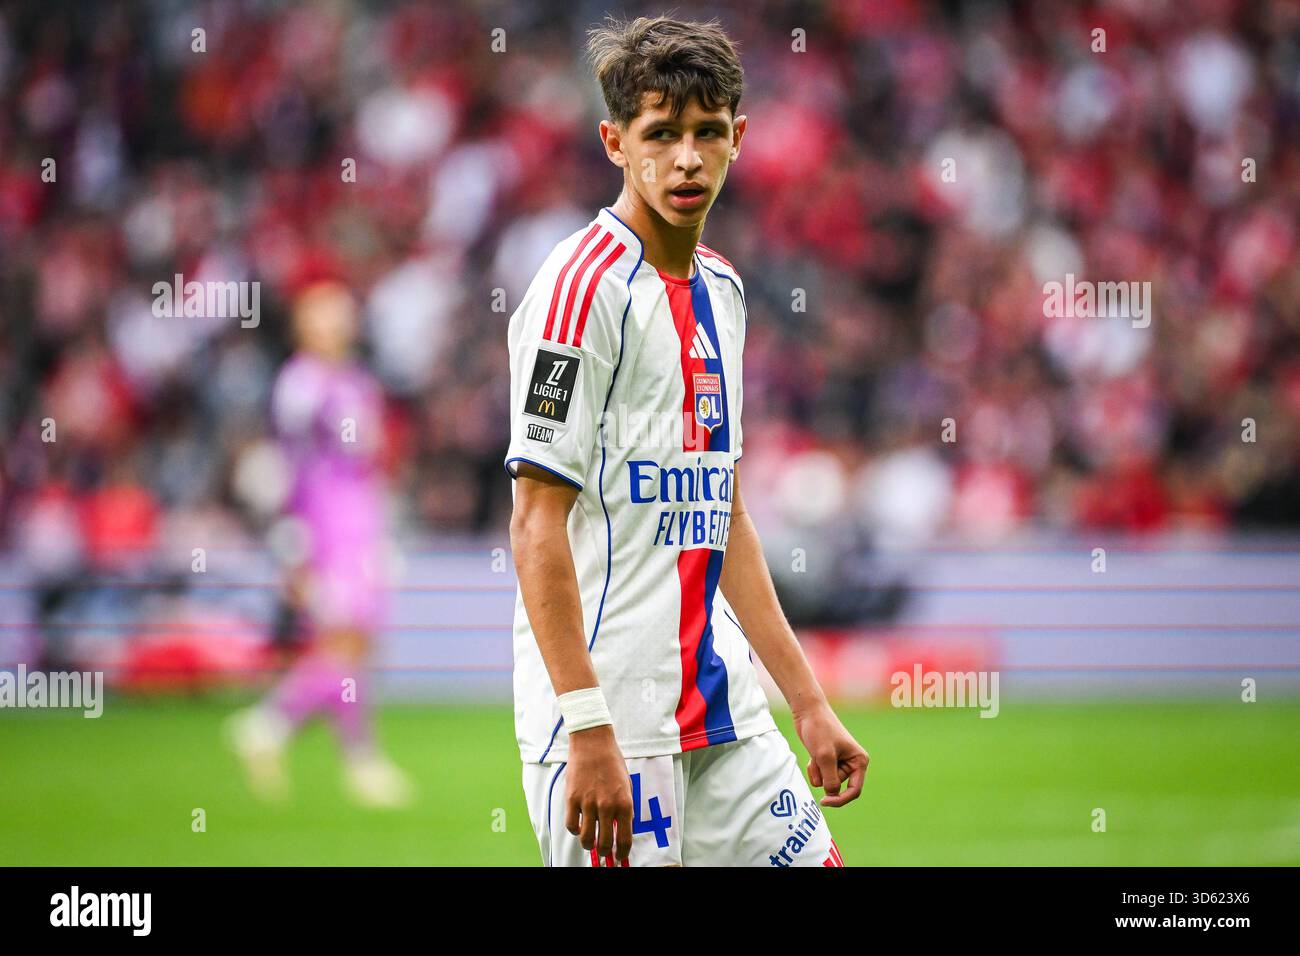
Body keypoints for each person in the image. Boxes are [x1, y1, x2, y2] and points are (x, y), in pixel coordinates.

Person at [505, 15, 867, 867]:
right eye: (660, 134)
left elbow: (721, 512)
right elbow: (534, 523)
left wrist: (807, 701)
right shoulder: (579, 290)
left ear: (740, 138)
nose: (687, 158)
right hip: (612, 730)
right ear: (614, 142)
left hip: (726, 713)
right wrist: (586, 725)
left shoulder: (725, 292)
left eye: (708, 133)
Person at [226, 279, 413, 809]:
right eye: (323, 314)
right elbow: (290, 467)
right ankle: (349, 757)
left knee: (357, 643)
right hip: (326, 525)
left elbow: (372, 457)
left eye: (341, 313)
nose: (335, 323)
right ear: (302, 325)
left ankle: (279, 731)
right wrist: (295, 541)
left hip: (362, 519)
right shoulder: (301, 385)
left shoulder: (354, 381)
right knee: (341, 641)